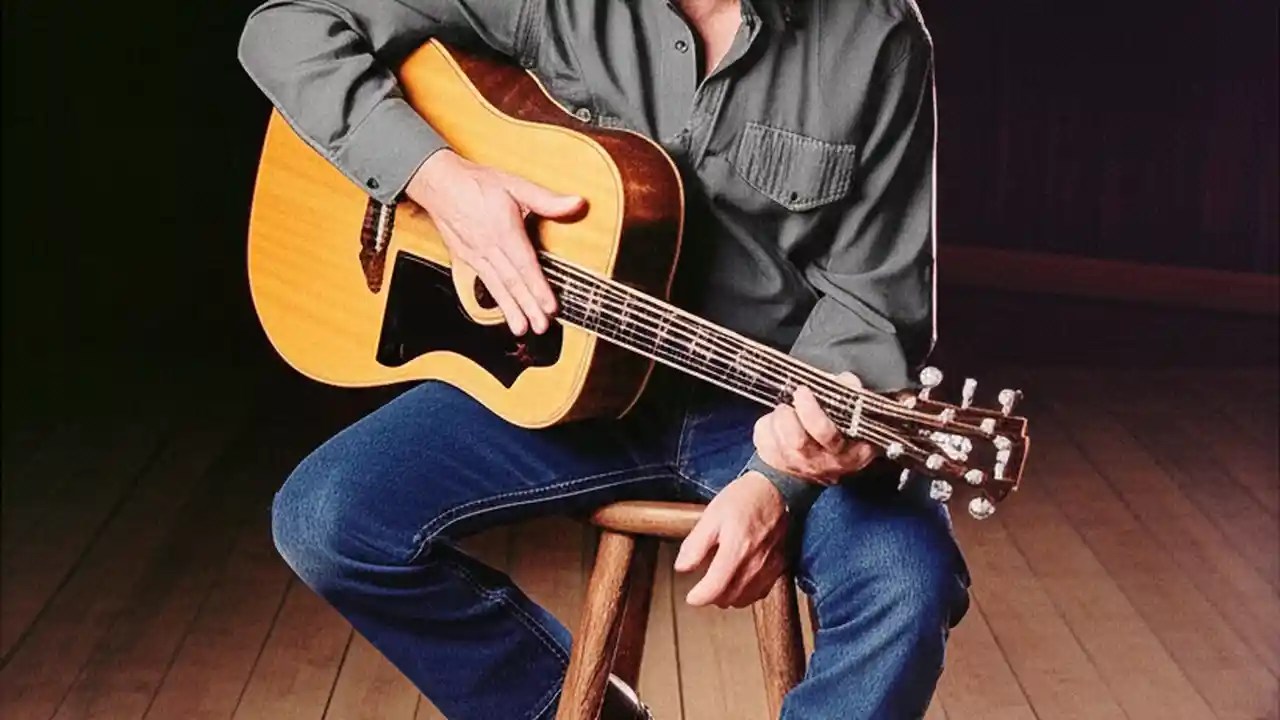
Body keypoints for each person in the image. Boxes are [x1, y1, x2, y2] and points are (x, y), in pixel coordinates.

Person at [238, 0, 968, 717]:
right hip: (564, 383)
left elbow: (873, 308)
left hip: (762, 409)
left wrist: (780, 479)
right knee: (326, 518)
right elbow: (287, 29)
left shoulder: (877, 36)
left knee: (905, 582)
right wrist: (442, 183)